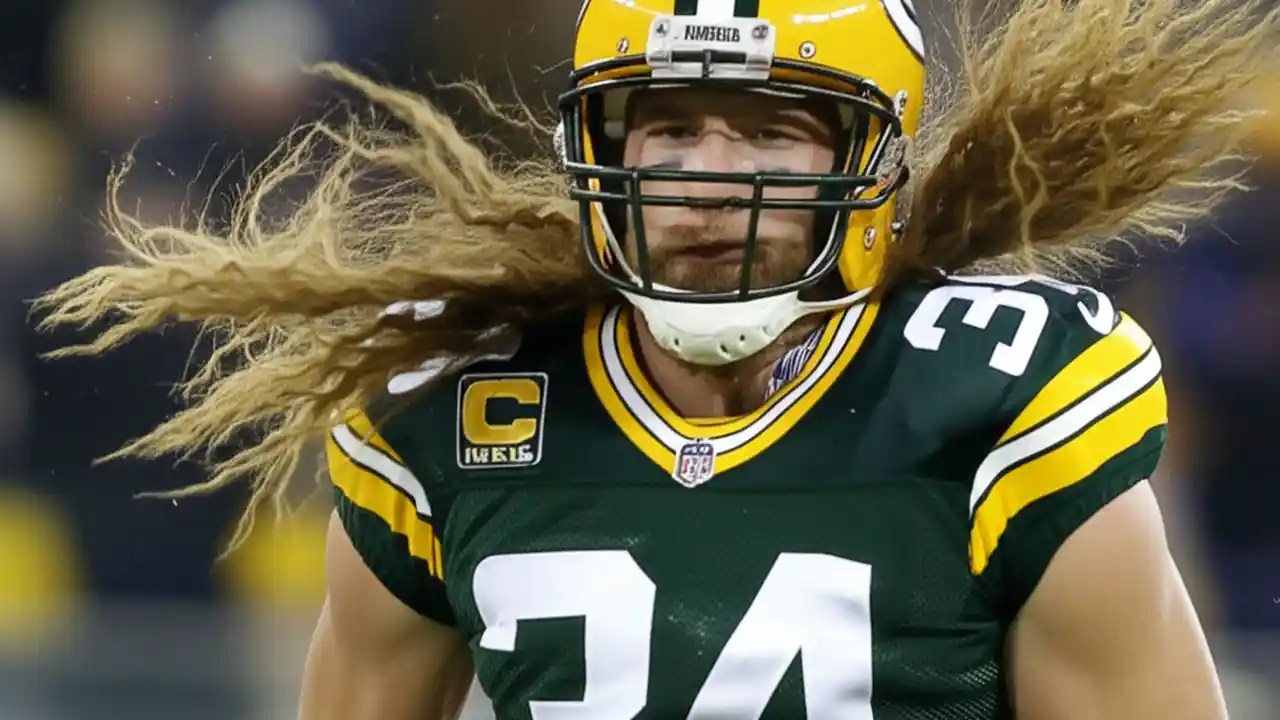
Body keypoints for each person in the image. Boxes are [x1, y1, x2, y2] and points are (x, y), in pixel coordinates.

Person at [34, 0, 1278, 717]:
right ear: (598, 148)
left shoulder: (1000, 400)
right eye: (670, 127)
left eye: (770, 132)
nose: (707, 180)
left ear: (875, 161)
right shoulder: (454, 409)